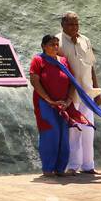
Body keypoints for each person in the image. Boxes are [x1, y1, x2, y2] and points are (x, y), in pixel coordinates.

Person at [29, 35, 86, 176]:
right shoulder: (38, 60)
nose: (55, 47)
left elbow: (72, 83)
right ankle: (48, 169)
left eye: (56, 44)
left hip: (63, 105)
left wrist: (68, 101)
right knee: (50, 133)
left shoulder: (64, 61)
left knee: (63, 135)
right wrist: (49, 100)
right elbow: (35, 81)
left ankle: (60, 169)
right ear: (43, 46)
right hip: (45, 104)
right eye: (51, 44)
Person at [59, 12, 101, 175]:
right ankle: (73, 165)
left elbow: (91, 66)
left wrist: (97, 91)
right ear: (62, 24)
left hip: (88, 93)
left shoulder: (85, 40)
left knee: (89, 129)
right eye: (70, 24)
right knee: (74, 130)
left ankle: (88, 165)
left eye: (76, 24)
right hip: (71, 94)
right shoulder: (58, 42)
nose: (74, 27)